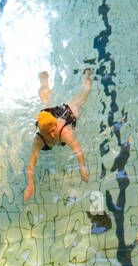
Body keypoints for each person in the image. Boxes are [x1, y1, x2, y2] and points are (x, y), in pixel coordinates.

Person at [24, 68, 93, 201]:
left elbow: (77, 149)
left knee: (83, 94)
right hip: (48, 117)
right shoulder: (39, 139)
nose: (52, 135)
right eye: (47, 133)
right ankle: (44, 81)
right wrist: (30, 184)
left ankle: (88, 74)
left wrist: (82, 168)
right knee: (46, 104)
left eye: (53, 131)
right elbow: (32, 163)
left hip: (66, 115)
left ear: (55, 126)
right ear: (41, 133)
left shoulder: (64, 132)